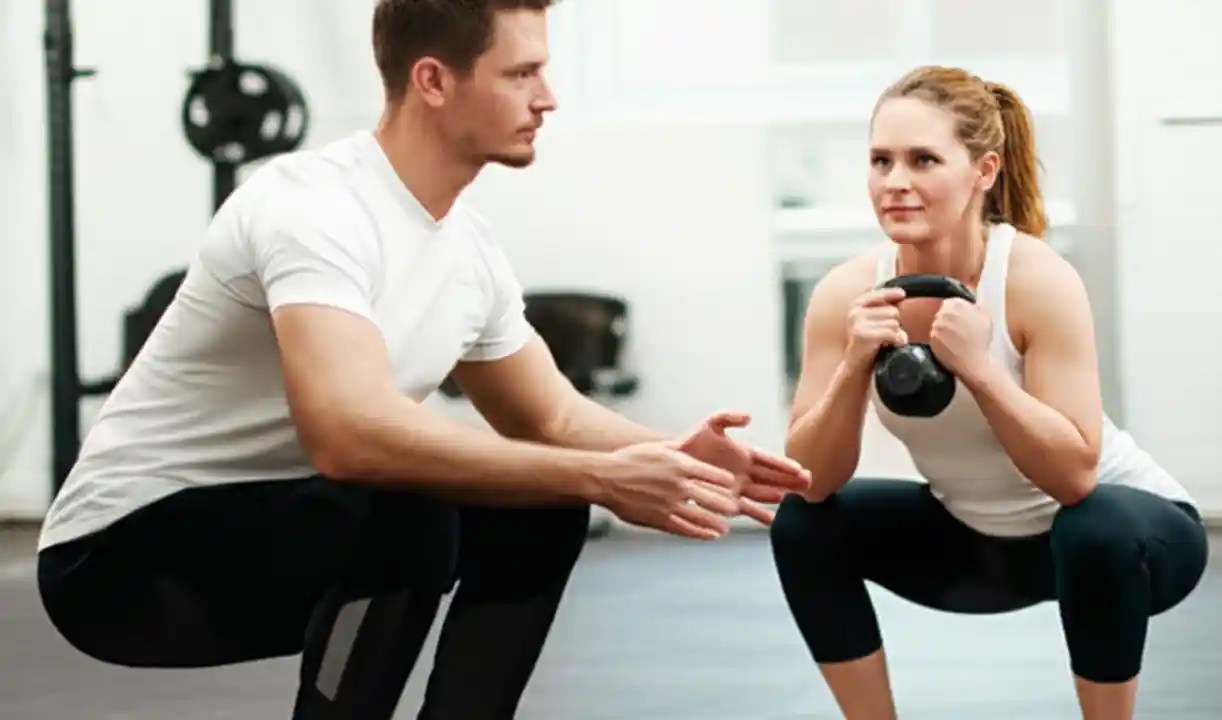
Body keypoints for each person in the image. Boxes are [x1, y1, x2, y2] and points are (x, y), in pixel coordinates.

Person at [35, 1, 811, 718]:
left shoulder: (466, 248)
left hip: (279, 525)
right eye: (521, 73)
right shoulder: (311, 206)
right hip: (118, 560)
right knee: (408, 505)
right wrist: (605, 476)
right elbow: (347, 435)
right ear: (433, 80)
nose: (548, 98)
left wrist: (675, 457)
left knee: (538, 509)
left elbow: (550, 415)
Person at [768, 65, 1209, 720]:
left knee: (1095, 526)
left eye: (923, 160)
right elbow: (814, 480)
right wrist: (853, 366)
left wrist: (982, 370)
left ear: (984, 170)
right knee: (801, 522)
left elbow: (1075, 476)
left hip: (1129, 543)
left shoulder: (1035, 279)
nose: (896, 182)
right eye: (880, 161)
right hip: (978, 545)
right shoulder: (846, 295)